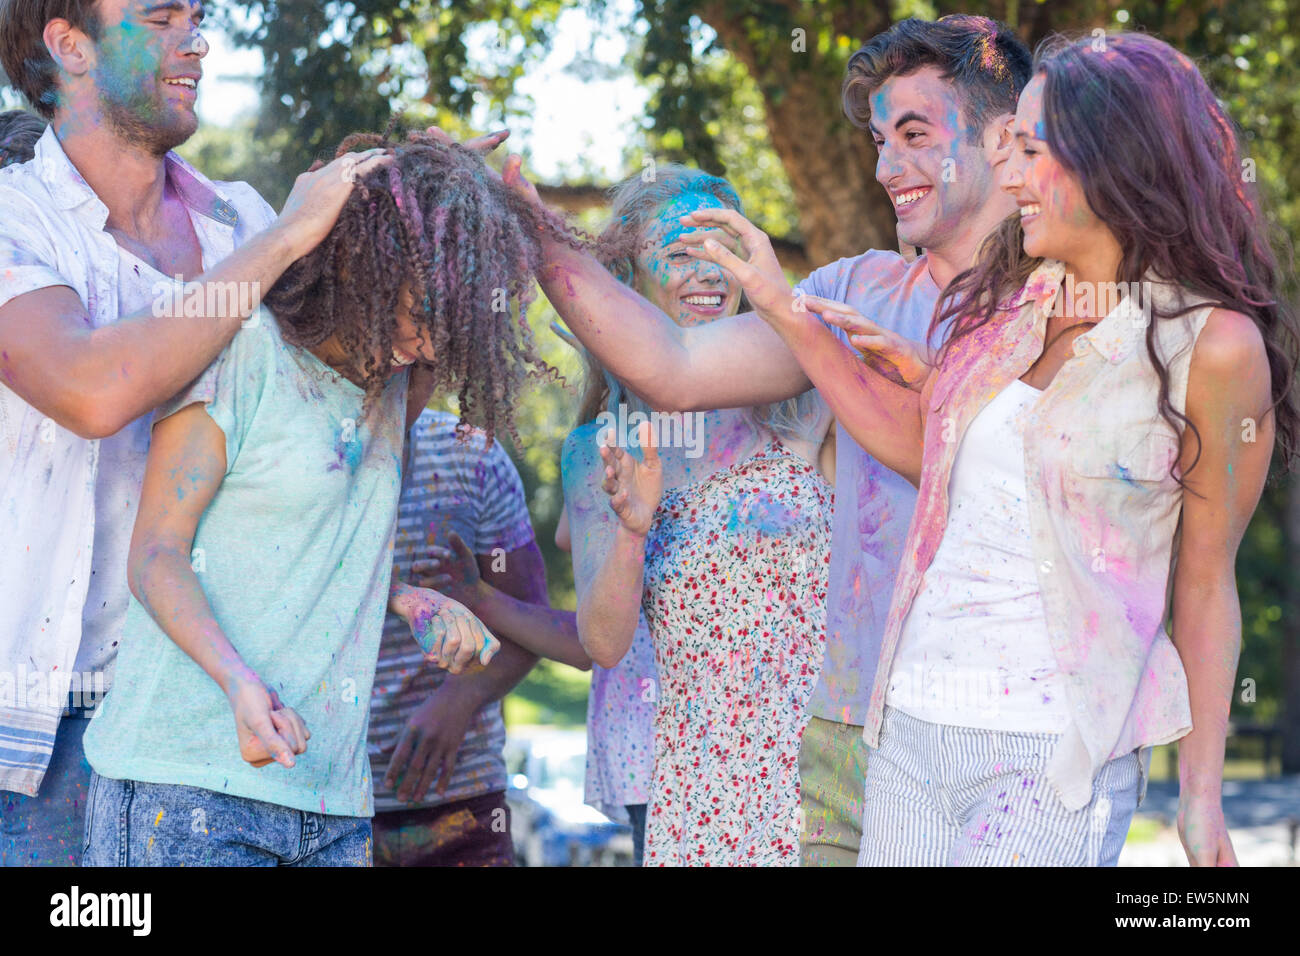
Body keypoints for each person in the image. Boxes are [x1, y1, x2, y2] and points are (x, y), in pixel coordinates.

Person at [683, 31, 1298, 866]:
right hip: (910, 725)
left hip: (1051, 755)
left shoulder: (1214, 348)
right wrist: (785, 308)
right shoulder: (1012, 303)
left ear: (1111, 156)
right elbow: (923, 452)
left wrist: (1200, 800)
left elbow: (1205, 580)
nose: (1009, 177)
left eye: (1030, 150)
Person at [499, 15, 1033, 865]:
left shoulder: (1065, 302)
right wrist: (527, 219)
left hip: (1008, 738)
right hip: (790, 762)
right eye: (878, 140)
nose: (887, 167)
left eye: (914, 136)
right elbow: (668, 365)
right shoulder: (839, 299)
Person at [79, 131, 584, 866]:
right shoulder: (242, 347)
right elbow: (156, 554)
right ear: (367, 266)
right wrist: (238, 683)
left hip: (334, 807)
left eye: (456, 323)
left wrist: (410, 598)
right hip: (187, 790)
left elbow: (302, 556)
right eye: (423, 311)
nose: (435, 345)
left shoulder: (392, 385)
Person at [0, 0, 375, 865]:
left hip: (206, 716)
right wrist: (282, 242)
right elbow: (94, 391)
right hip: (43, 736)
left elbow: (336, 398)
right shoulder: (17, 219)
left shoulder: (238, 224)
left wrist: (437, 198)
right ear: (69, 46)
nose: (197, 41)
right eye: (162, 17)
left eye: (198, 17)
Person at [569, 165, 835, 866]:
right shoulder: (598, 448)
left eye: (720, 248)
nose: (705, 273)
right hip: (701, 786)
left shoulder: (805, 395)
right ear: (628, 279)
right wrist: (632, 531)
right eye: (680, 253)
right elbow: (601, 641)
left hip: (829, 761)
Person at [365, 406, 552, 867]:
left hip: (460, 807)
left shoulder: (473, 454)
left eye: (426, 365)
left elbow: (533, 621)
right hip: (307, 805)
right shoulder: (286, 442)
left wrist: (459, 699)